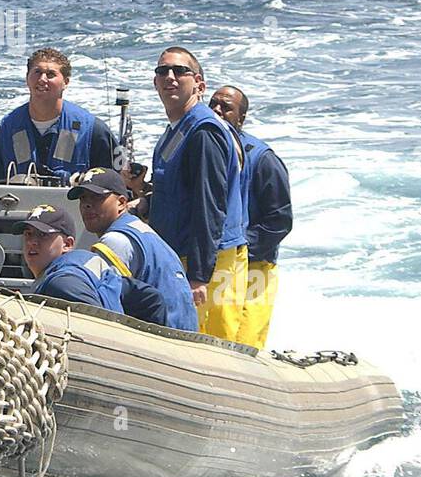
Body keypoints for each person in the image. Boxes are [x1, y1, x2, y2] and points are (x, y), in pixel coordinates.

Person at [134, 47, 247, 341]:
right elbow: (178, 192)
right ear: (155, 82)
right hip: (178, 256)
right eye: (162, 71)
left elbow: (210, 207)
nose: (170, 77)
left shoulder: (203, 132)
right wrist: (146, 201)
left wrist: (199, 276)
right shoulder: (176, 131)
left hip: (208, 263)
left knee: (211, 346)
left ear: (199, 83)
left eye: (179, 71)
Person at [209, 85, 293, 349]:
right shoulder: (208, 151)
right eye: (213, 104)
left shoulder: (263, 159)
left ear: (241, 118)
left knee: (243, 343)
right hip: (216, 265)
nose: (217, 110)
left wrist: (240, 252)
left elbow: (279, 220)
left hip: (254, 268)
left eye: (226, 107)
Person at [67, 167, 197, 331]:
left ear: (121, 203)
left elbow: (103, 307)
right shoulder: (139, 228)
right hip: (183, 334)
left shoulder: (115, 241)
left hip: (163, 338)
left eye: (97, 197)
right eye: (83, 198)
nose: (87, 205)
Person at [0, 47, 118, 182]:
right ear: (27, 78)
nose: (42, 79)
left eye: (50, 74)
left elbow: (118, 183)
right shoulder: (6, 130)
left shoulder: (93, 131)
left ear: (66, 82)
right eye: (37, 72)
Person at [13, 206, 124, 314]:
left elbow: (95, 327)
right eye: (28, 234)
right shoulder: (82, 262)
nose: (31, 242)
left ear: (67, 244)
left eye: (43, 235)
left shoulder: (62, 283)